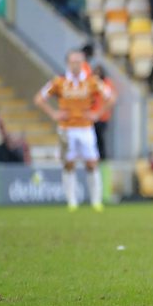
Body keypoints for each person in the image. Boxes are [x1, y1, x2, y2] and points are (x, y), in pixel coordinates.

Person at [34, 49, 115, 210]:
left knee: (92, 163)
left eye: (79, 61)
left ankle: (96, 202)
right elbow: (39, 99)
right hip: (66, 129)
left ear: (83, 63)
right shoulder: (59, 81)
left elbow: (111, 97)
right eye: (73, 61)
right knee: (68, 164)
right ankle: (71, 202)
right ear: (68, 63)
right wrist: (54, 114)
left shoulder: (92, 81)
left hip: (85, 128)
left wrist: (97, 114)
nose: (76, 64)